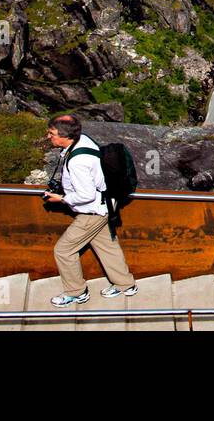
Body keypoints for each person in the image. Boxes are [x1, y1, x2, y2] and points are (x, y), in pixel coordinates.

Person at [43, 115, 137, 307]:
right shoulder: (83, 140)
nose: (48, 137)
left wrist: (61, 198)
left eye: (51, 133)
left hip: (92, 212)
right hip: (106, 205)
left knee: (64, 250)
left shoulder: (78, 161)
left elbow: (85, 195)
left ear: (65, 136)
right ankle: (125, 285)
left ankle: (76, 292)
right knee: (106, 246)